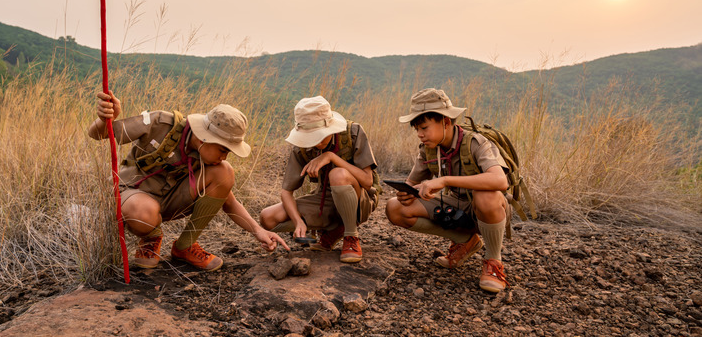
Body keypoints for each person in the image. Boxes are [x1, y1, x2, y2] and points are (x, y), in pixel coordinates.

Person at [88, 91, 288, 271]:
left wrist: (258, 231)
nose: (225, 157)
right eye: (223, 149)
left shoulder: (208, 157)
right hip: (135, 196)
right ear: (204, 139)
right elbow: (99, 134)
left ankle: (185, 246)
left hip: (171, 200)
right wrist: (105, 118)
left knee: (225, 172)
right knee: (142, 213)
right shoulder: (160, 123)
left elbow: (229, 202)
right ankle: (151, 237)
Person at [385, 88, 511, 293]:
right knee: (395, 207)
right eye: (417, 129)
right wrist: (406, 193)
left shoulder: (476, 143)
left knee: (485, 195)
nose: (420, 134)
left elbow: (499, 180)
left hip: (490, 210)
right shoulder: (428, 149)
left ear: (445, 122)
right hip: (456, 205)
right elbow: (411, 183)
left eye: (424, 127)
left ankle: (493, 261)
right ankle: (466, 241)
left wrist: (443, 181)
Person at [259, 96, 379, 263]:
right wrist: (298, 221)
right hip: (326, 201)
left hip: (361, 200)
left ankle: (351, 236)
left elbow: (367, 181)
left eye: (319, 135)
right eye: (310, 136)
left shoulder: (352, 132)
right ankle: (336, 228)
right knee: (267, 217)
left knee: (337, 175)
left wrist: (331, 157)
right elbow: (286, 192)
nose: (315, 141)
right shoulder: (301, 148)